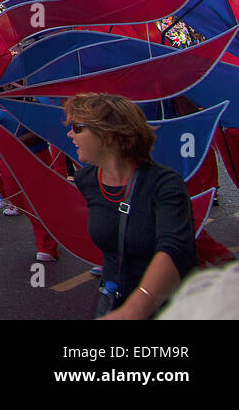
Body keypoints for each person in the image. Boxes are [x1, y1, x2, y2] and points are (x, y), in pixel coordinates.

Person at [66, 93, 197, 319]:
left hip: (165, 304)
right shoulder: (86, 180)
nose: (70, 134)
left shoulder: (164, 183)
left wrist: (134, 309)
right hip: (111, 299)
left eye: (77, 128)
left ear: (107, 135)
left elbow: (175, 250)